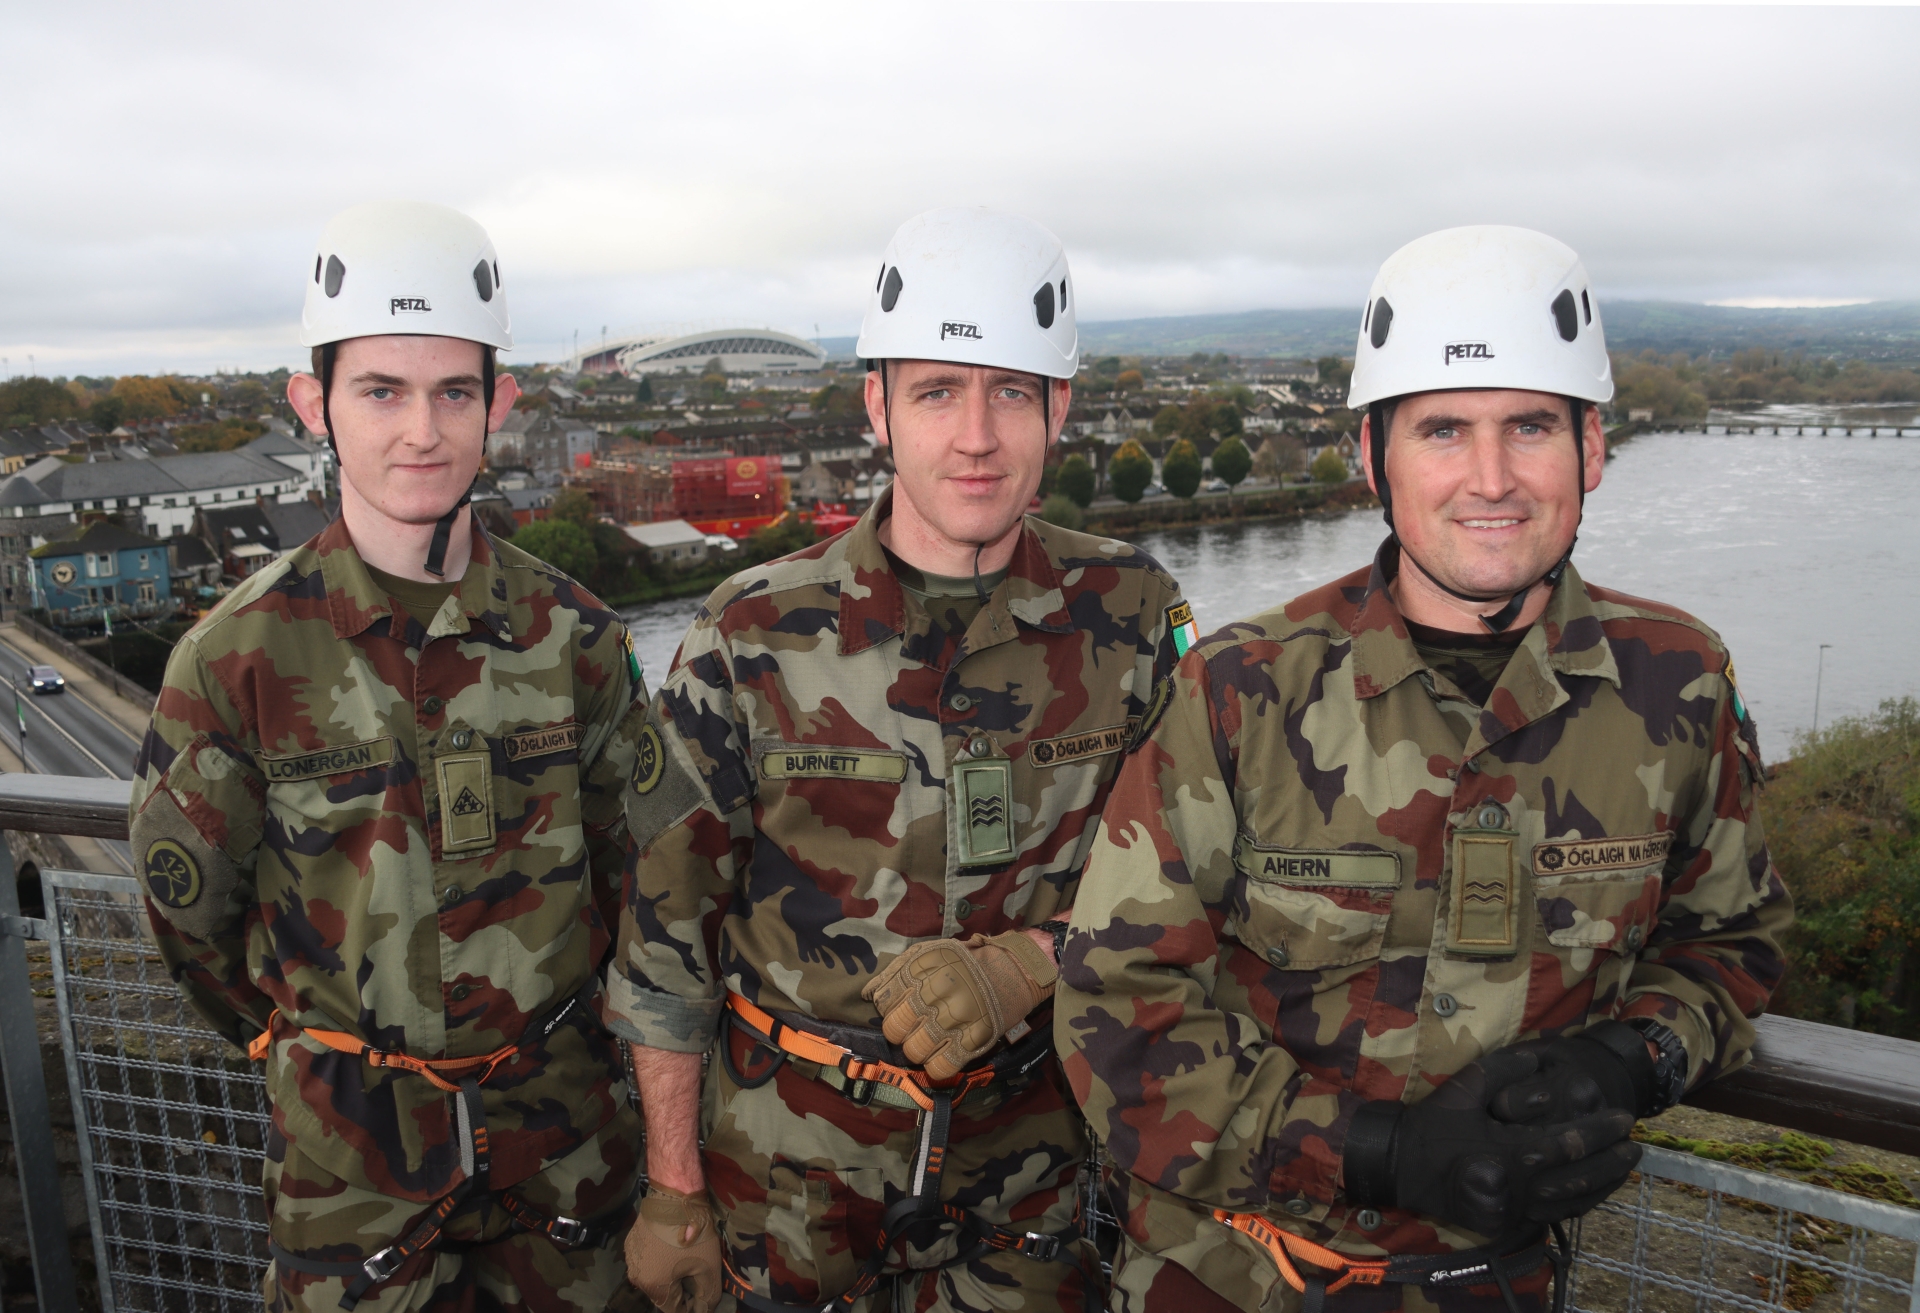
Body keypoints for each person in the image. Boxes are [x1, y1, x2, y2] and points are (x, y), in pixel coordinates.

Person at [1056, 225, 1792, 1313]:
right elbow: (1112, 1006)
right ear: (1372, 456)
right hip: (1222, 1278)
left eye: (1530, 427)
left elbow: (1733, 941)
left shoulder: (1676, 684)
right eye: (1443, 428)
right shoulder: (1239, 690)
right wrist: (1375, 1150)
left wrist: (1636, 1060)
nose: (1490, 479)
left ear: (1593, 448)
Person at [609, 206, 1188, 1313]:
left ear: (1058, 408)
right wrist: (674, 1187)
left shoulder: (1133, 614)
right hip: (785, 1192)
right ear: (876, 405)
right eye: (937, 390)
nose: (976, 435)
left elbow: (1196, 889)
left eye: (1010, 390)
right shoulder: (751, 634)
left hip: (1031, 1191)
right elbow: (664, 941)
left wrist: (1038, 958)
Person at [128, 200, 649, 1312]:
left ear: (500, 404)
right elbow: (194, 931)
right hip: (351, 1183)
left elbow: (637, 876)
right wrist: (323, 1057)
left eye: (453, 390)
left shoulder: (579, 638)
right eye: (381, 390)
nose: (422, 429)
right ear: (311, 403)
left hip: (562, 1165)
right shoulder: (237, 659)